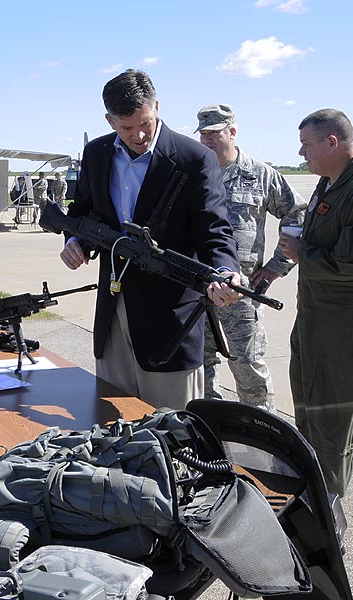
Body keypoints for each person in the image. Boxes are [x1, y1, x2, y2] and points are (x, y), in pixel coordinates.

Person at [59, 70, 242, 409]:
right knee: (111, 428)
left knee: (172, 435)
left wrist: (225, 270)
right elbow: (82, 211)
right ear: (109, 119)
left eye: (145, 122)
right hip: (114, 314)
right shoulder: (97, 154)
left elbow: (214, 228)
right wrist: (74, 241)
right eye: (126, 128)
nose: (139, 135)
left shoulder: (193, 158)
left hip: (169, 322)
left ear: (156, 106)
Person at [280, 109, 353, 497]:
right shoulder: (331, 183)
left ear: (332, 142)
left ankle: (328, 498)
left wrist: (302, 252)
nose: (301, 153)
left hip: (343, 323)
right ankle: (310, 480)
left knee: (334, 407)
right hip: (317, 313)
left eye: (307, 144)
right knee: (309, 395)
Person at [195, 104, 307, 412]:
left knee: (249, 371)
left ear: (232, 132)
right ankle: (208, 436)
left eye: (214, 133)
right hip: (197, 289)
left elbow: (297, 213)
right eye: (203, 134)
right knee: (201, 371)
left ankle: (262, 442)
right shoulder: (193, 173)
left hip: (241, 293)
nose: (207, 140)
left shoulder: (259, 175)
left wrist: (276, 267)